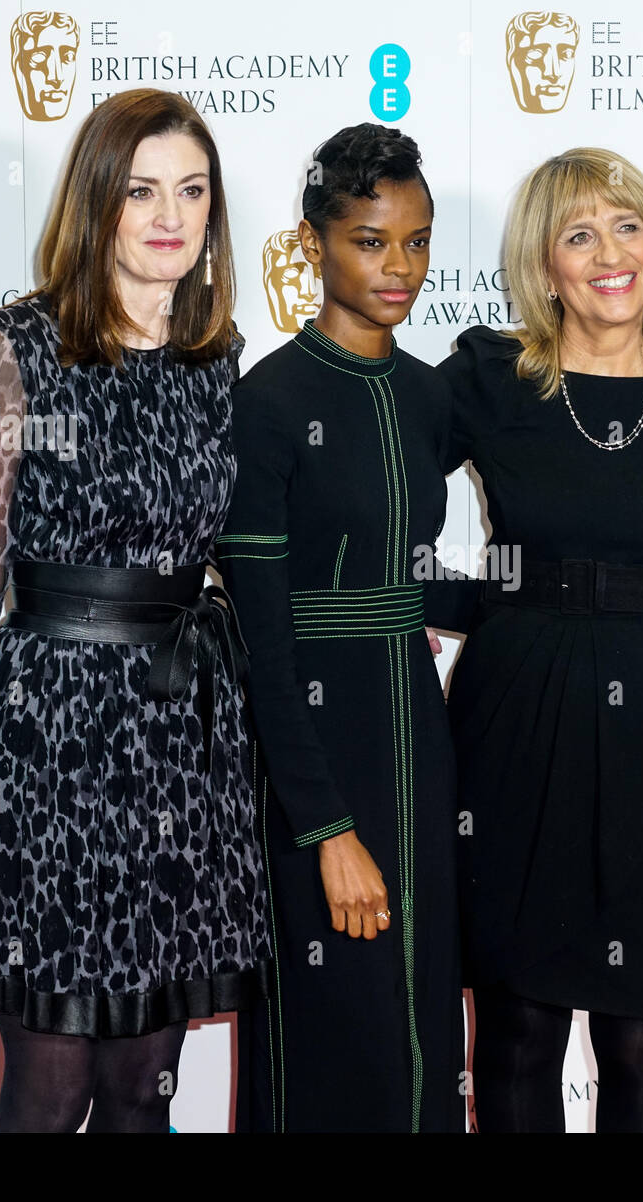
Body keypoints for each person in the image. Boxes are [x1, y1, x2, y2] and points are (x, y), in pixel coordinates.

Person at [0, 88, 269, 1133]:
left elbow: (241, 559)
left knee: (146, 1082)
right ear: (98, 202)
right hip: (49, 741)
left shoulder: (219, 360)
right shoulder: (16, 346)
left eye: (192, 191)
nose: (170, 214)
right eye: (142, 189)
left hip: (180, 744)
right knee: (49, 1084)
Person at [438, 147, 643, 1132]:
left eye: (628, 227)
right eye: (578, 234)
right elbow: (370, 492)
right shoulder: (491, 375)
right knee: (520, 1023)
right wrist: (477, 601)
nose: (608, 252)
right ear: (544, 267)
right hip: (518, 714)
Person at [217, 123, 464, 1134]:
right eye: (369, 240)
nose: (396, 265)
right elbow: (263, 637)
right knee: (326, 1026)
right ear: (313, 241)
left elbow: (405, 568)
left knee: (417, 1024)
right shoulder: (268, 402)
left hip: (416, 731)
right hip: (314, 752)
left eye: (414, 240)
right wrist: (323, 827)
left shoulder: (426, 393)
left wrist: (565, 603)